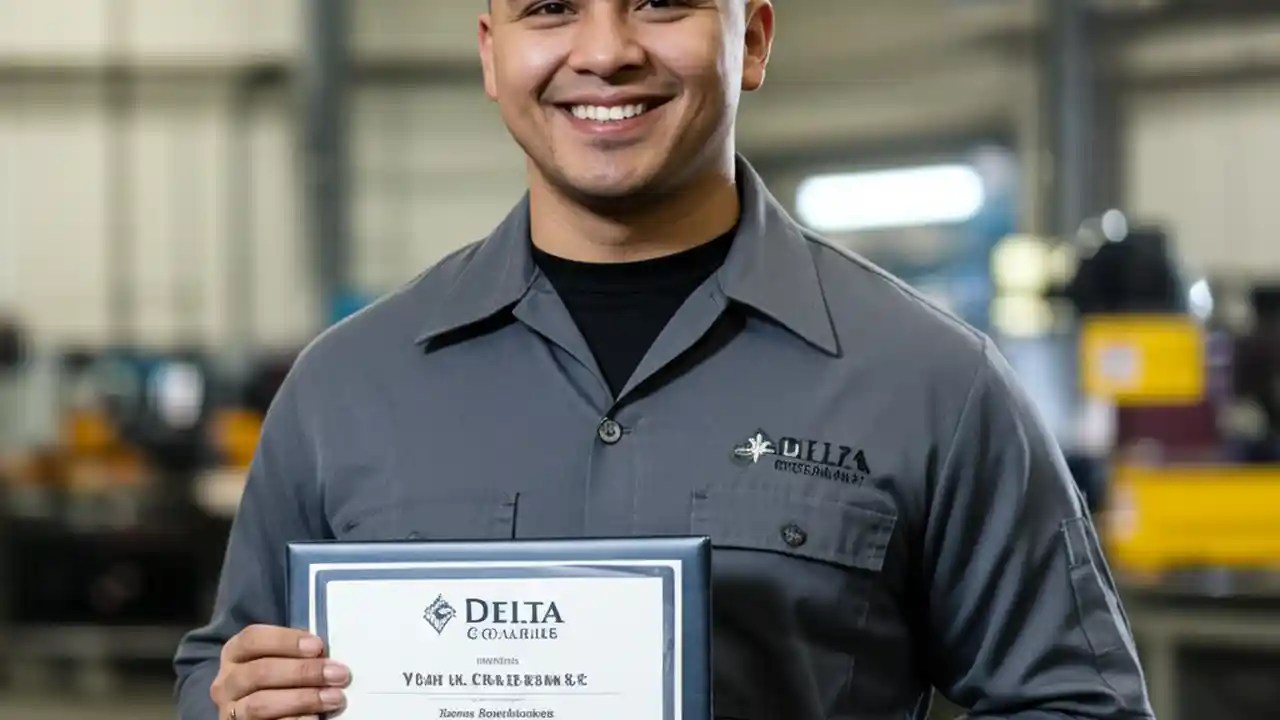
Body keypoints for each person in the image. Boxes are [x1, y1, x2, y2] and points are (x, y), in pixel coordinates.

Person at [174, 1, 1155, 718]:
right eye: (551, 10)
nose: (604, 52)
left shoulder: (932, 384)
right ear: (491, 52)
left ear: (754, 39)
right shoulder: (345, 387)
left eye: (661, 4)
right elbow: (221, 665)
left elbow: (1075, 704)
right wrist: (237, 699)